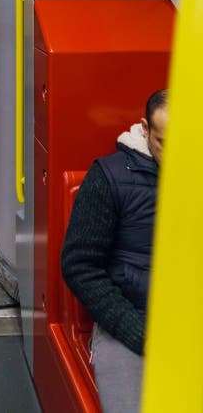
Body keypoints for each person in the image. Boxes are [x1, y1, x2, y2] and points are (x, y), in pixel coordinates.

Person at [61, 89, 169, 413]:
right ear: (146, 129)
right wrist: (138, 333)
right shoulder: (108, 178)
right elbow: (80, 267)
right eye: (165, 143)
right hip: (128, 319)